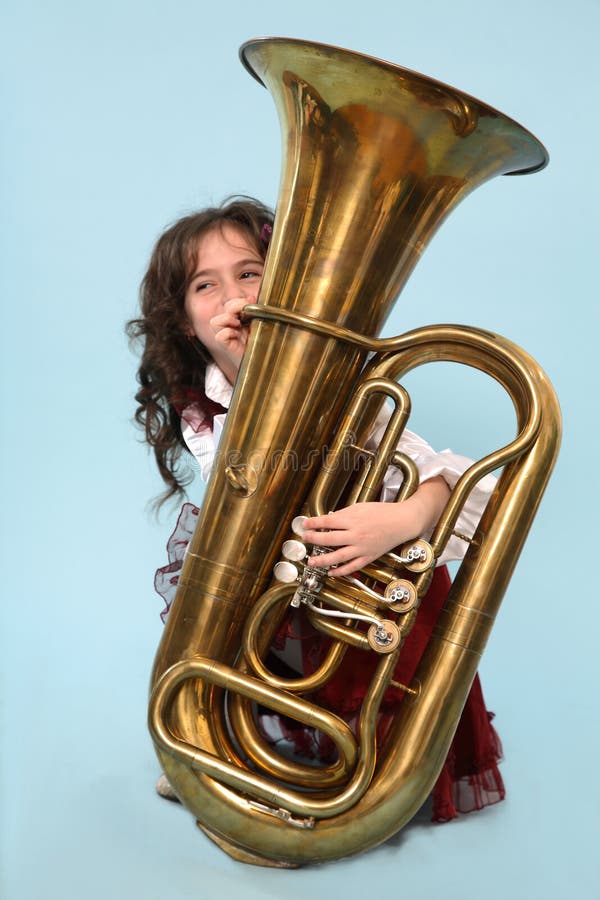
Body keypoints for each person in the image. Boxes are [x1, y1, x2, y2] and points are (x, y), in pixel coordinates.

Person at [128, 196, 505, 823]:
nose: (233, 296)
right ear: (184, 321)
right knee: (217, 614)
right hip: (285, 580)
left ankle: (353, 790)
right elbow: (248, 484)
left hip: (370, 577)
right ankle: (226, 758)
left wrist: (404, 519)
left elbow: (449, 478)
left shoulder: (346, 385)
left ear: (285, 285)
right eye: (205, 285)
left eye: (250, 273)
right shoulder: (207, 406)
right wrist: (253, 369)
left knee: (376, 709)